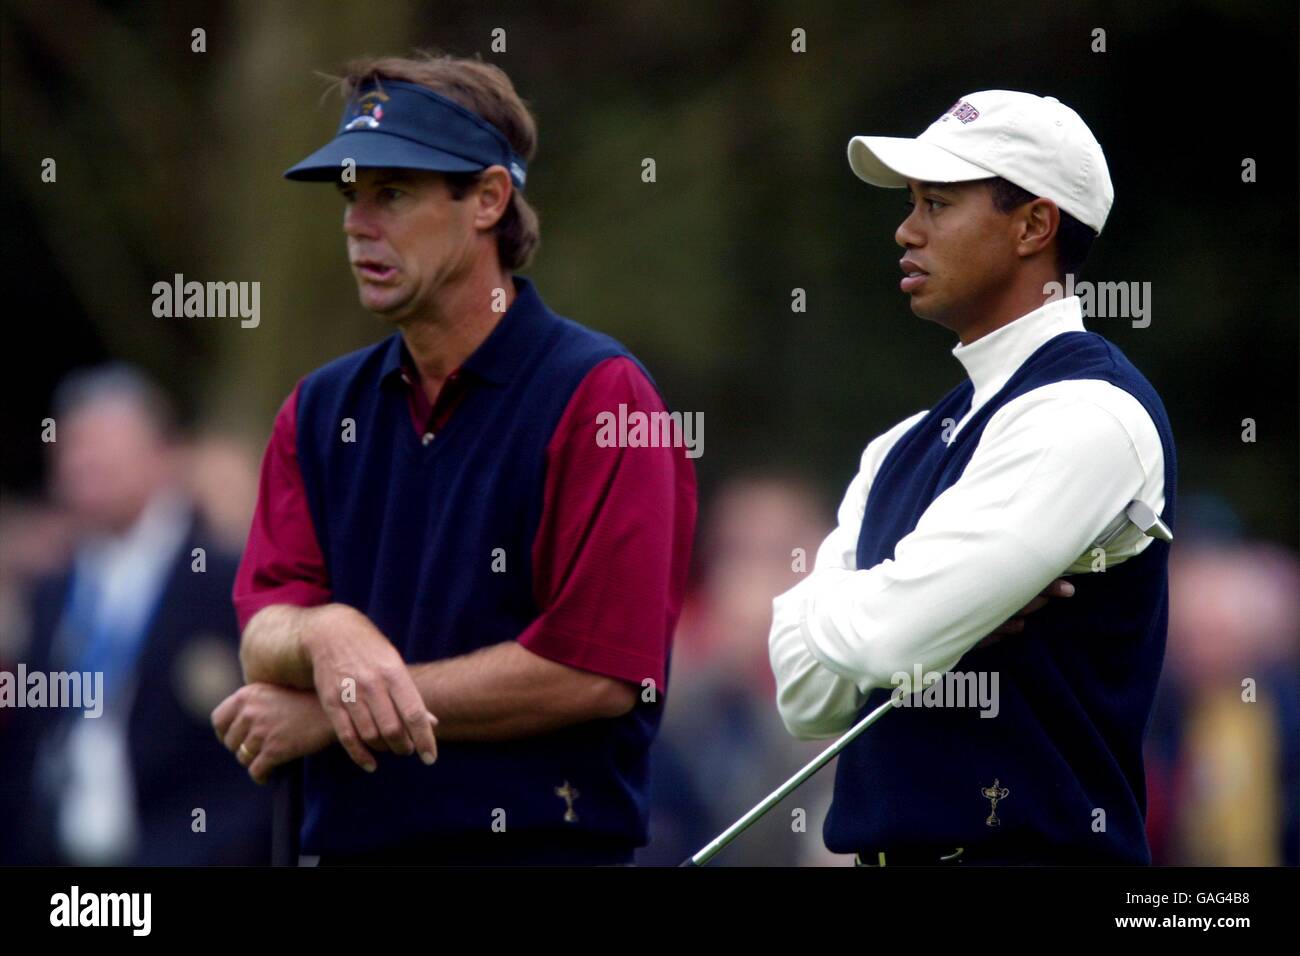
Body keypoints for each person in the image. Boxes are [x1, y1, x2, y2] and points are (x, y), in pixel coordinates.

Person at [212, 52, 696, 865]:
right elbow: (264, 626)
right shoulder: (319, 408)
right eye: (351, 196)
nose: (358, 223)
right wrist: (328, 632)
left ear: (489, 199)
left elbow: (597, 672)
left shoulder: (602, 396)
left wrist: (336, 709)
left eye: (393, 194)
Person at [768, 90, 1176, 865]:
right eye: (911, 204)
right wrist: (920, 611)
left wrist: (894, 618)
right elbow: (802, 693)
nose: (906, 230)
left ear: (1033, 226)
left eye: (937, 203)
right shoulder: (899, 446)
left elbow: (886, 642)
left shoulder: (1090, 413)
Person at [1, 364, 269, 865]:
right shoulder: (51, 590)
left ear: (161, 455)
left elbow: (245, 769)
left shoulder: (222, 581)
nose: (83, 463)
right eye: (71, 447)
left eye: (103, 446)